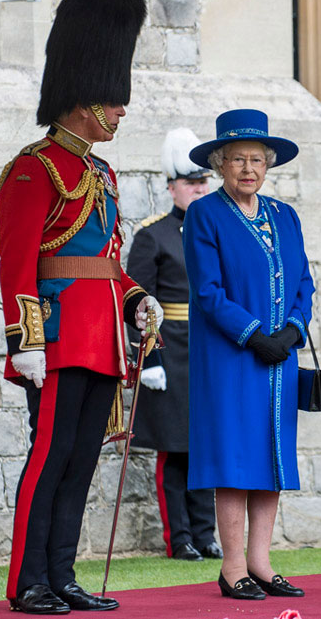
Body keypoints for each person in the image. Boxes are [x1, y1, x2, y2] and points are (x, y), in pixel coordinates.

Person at [0, 0, 159, 614]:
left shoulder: (100, 171)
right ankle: (27, 581)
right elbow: (17, 264)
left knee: (82, 462)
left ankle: (61, 575)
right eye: (114, 100)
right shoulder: (35, 167)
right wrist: (25, 340)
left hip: (101, 340)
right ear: (85, 96)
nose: (121, 110)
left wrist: (136, 299)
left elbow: (108, 262)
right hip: (58, 340)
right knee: (50, 458)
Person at [183, 109, 314, 600]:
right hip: (230, 359)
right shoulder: (205, 214)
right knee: (234, 459)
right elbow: (208, 292)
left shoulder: (286, 215)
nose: (248, 168)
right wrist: (255, 333)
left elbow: (304, 281)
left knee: (271, 459)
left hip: (279, 360)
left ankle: (261, 562)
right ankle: (232, 566)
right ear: (220, 163)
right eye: (237, 158)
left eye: (256, 159)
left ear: (268, 164)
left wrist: (292, 331)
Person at [126, 128, 221, 562]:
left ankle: (206, 534)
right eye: (190, 182)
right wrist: (150, 357)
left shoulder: (219, 231)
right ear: (171, 187)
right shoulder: (153, 235)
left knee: (207, 448)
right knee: (176, 449)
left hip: (211, 351)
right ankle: (179, 537)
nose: (199, 188)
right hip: (171, 350)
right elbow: (140, 301)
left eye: (204, 181)